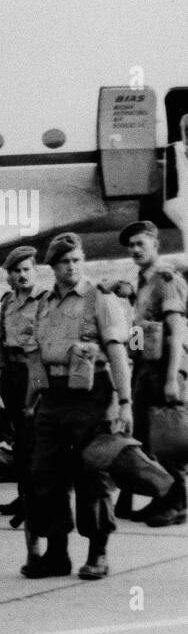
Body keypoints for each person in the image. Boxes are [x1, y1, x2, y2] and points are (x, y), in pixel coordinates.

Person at [25, 232, 131, 580]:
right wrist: (33, 403)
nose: (71, 267)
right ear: (52, 267)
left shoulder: (99, 298)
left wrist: (124, 402)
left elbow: (117, 353)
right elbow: (36, 358)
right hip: (52, 399)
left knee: (91, 477)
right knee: (47, 477)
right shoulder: (43, 303)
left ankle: (97, 553)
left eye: (76, 260)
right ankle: (57, 554)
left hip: (91, 396)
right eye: (64, 262)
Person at [119, 220, 187, 526]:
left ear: (155, 246)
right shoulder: (143, 282)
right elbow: (141, 329)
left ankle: (178, 502)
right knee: (147, 437)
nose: (134, 250)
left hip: (164, 370)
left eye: (140, 244)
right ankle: (162, 497)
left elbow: (176, 330)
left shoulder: (164, 279)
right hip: (145, 369)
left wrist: (173, 377)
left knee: (167, 438)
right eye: (131, 245)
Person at [0, 247, 47, 538]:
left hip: (34, 375)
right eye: (16, 271)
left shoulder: (46, 301)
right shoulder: (7, 302)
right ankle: (25, 495)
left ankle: (37, 498)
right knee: (18, 441)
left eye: (26, 269)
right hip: (11, 376)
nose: (21, 275)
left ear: (34, 271)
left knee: (34, 439)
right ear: (9, 276)